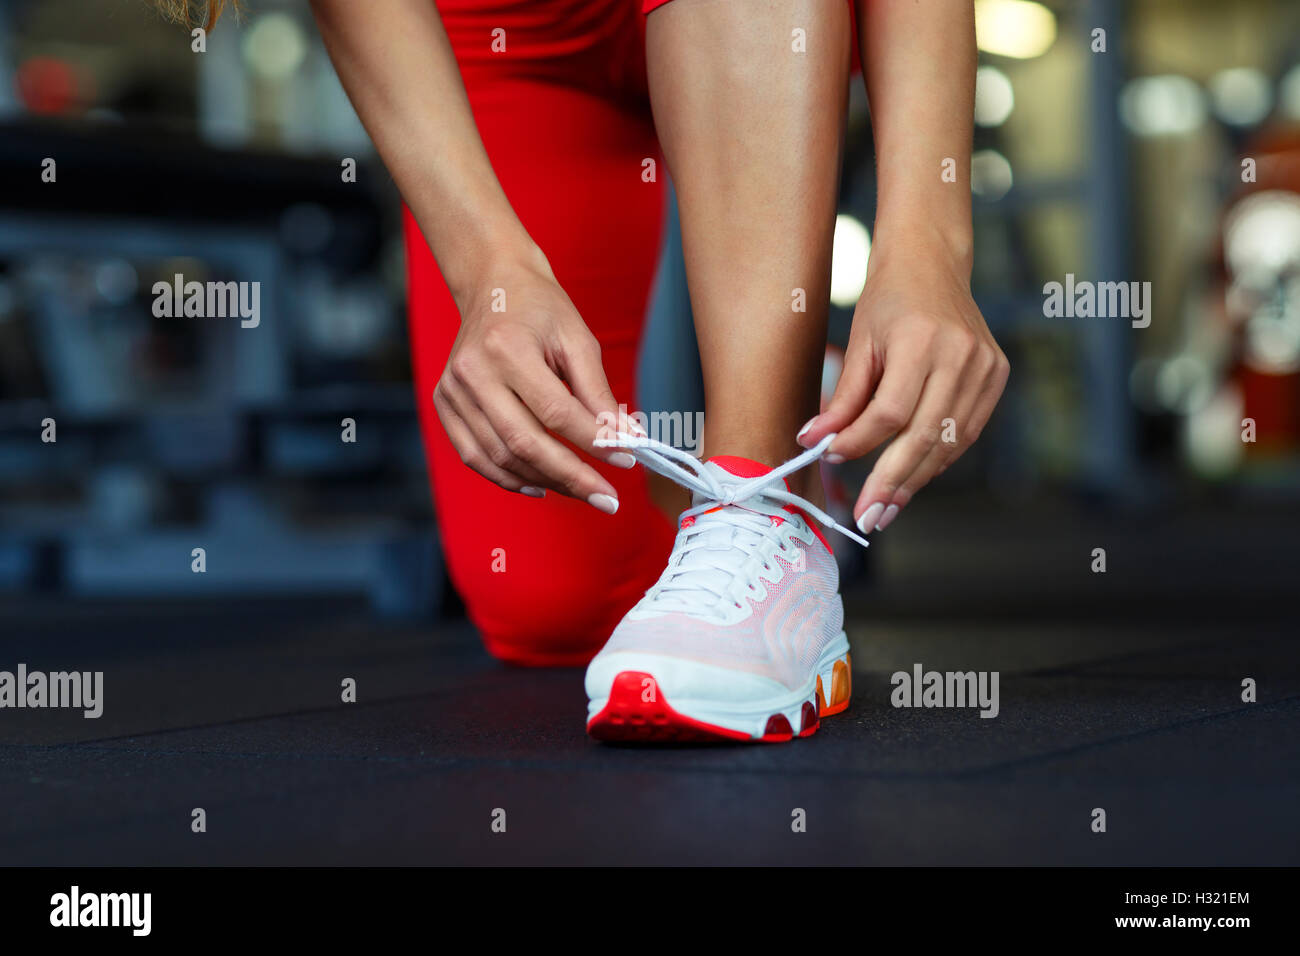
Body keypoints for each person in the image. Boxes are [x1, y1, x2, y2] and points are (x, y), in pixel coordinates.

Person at [164, 0, 1008, 743]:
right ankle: (792, 417)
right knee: (546, 604)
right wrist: (488, 268)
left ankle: (759, 501)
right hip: (513, 28)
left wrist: (929, 243)